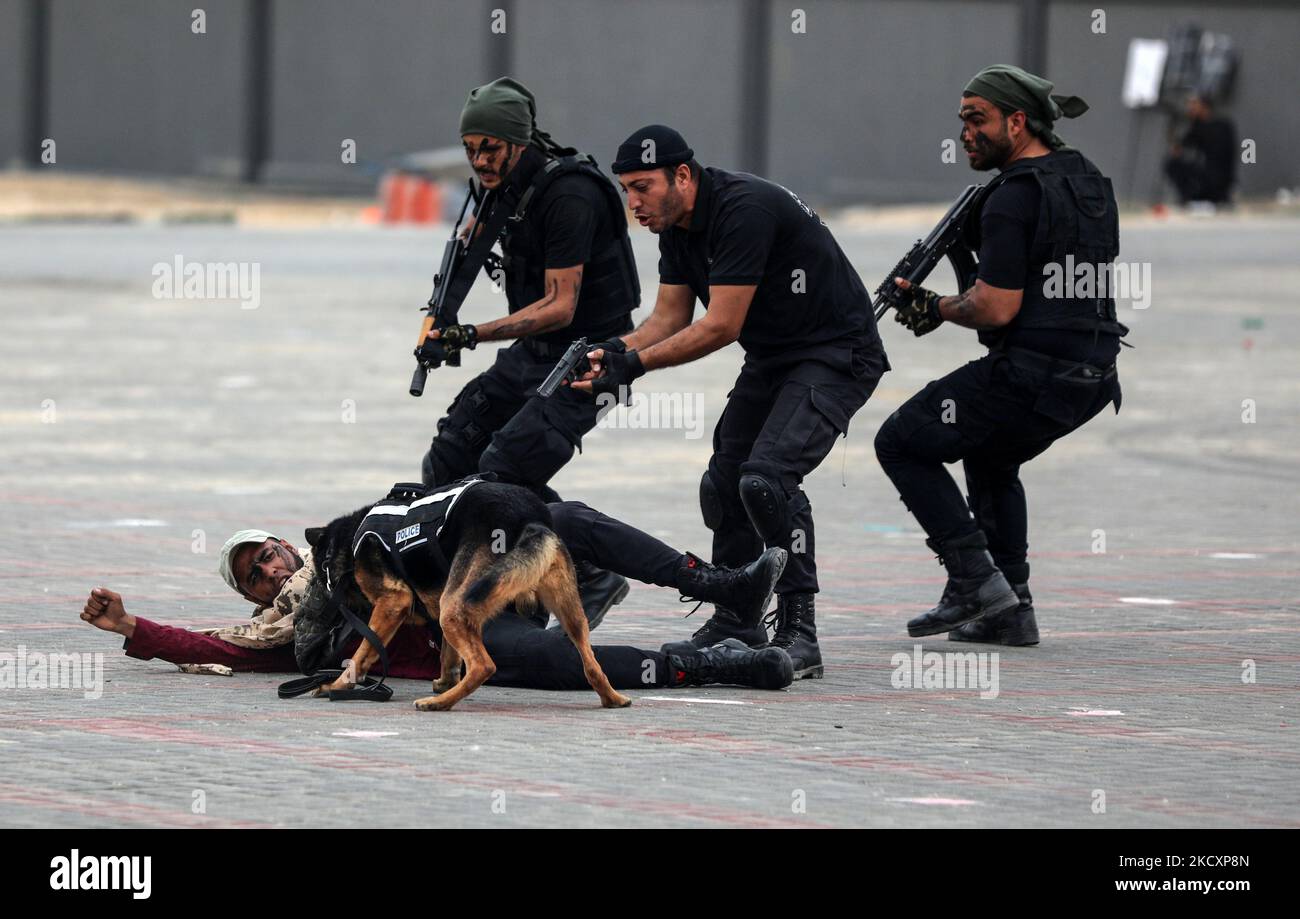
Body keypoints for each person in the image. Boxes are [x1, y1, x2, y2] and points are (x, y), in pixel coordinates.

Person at [572, 125, 889, 679]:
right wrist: (611, 352)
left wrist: (635, 365)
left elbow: (721, 326)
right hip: (774, 358)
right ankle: (738, 617)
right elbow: (669, 319)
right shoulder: (675, 224)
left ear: (684, 176)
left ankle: (800, 631)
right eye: (626, 190)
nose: (634, 204)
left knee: (767, 480)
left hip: (837, 354)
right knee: (724, 483)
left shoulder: (743, 210)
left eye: (643, 187)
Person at [874, 64, 1126, 646]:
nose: (965, 132)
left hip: (1032, 374)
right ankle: (1011, 610)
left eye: (977, 119)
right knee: (988, 455)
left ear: (1018, 120)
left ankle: (973, 582)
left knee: (902, 441)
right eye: (961, 120)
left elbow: (994, 308)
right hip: (1091, 373)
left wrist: (936, 306)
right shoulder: (1085, 179)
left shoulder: (1011, 199)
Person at [79, 502, 793, 692]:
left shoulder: (342, 551)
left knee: (564, 517)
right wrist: (130, 625)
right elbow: (210, 647)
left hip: (471, 577)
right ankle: (719, 664)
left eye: (266, 554)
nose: (267, 572)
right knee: (549, 663)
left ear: (289, 545)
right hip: (454, 643)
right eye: (252, 576)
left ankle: (720, 583)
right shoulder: (291, 636)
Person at [417, 77, 643, 627]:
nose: (479, 162)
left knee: (505, 468)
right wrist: (437, 320)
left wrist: (468, 335)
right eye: (470, 150)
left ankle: (589, 572)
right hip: (535, 352)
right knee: (450, 456)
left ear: (518, 141)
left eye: (489, 148)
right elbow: (467, 250)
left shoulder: (571, 194)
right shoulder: (502, 187)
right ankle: (489, 590)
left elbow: (561, 306)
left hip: (593, 357)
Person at [1163, 93, 1236, 206]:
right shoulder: (1197, 125)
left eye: (1194, 105)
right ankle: (1190, 197)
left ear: (1204, 106)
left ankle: (1213, 195)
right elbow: (1181, 146)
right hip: (1204, 173)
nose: (1190, 108)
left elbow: (1221, 155)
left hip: (1217, 176)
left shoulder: (1221, 125)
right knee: (1173, 164)